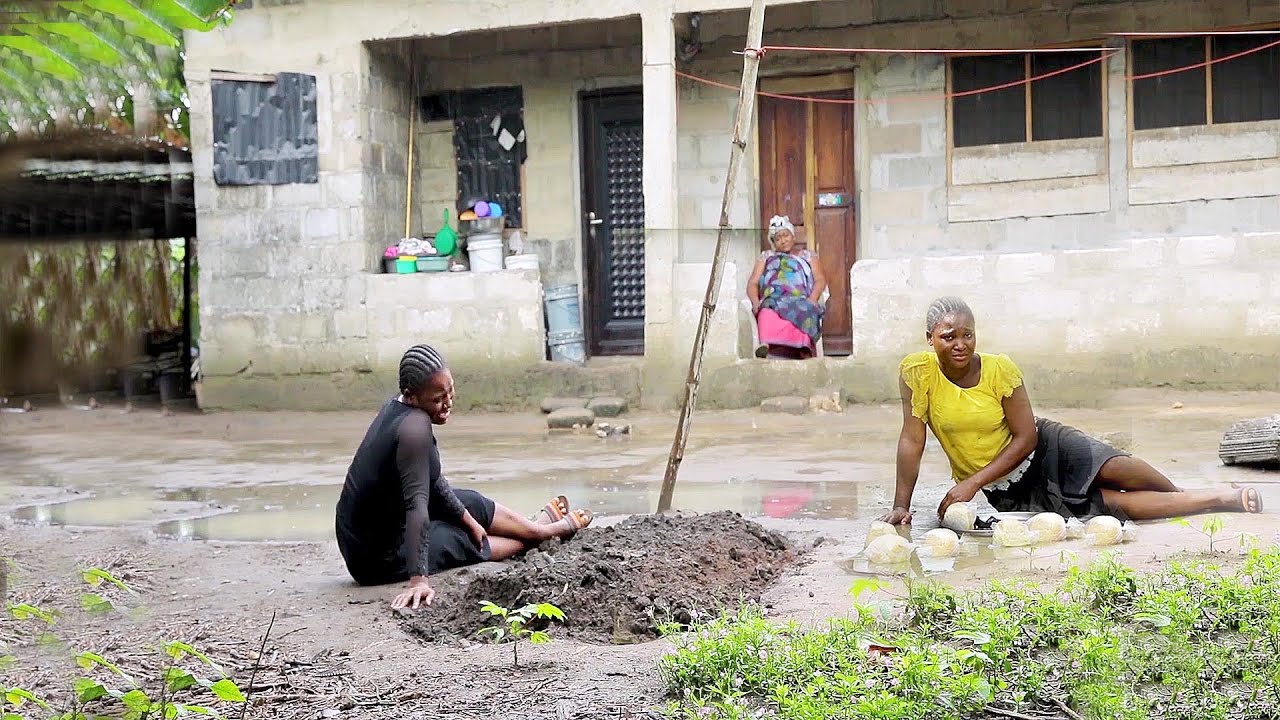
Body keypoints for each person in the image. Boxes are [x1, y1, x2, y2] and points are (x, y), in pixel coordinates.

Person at [881, 297, 1262, 526]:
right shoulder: (918, 373)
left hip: (1043, 446)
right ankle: (1219, 500)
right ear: (929, 339)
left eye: (968, 334)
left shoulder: (999, 369)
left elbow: (1027, 436)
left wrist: (970, 484)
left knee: (1116, 466)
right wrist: (901, 506)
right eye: (948, 336)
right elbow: (912, 440)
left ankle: (1187, 495)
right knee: (1111, 503)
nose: (960, 344)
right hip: (1008, 488)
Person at [335, 343, 594, 609]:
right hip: (374, 556)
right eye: (438, 399)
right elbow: (416, 505)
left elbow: (435, 483)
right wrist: (418, 580)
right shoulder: (414, 429)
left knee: (471, 503)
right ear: (411, 396)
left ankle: (537, 529)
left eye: (450, 391)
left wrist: (468, 519)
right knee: (457, 538)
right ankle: (540, 537)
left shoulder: (404, 408)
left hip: (388, 517)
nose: (448, 403)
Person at [746, 215, 828, 359]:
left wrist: (813, 298)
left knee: (805, 308)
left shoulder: (808, 256)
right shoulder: (766, 256)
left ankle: (803, 348)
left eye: (786, 235)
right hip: (774, 297)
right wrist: (755, 301)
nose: (783, 241)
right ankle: (766, 345)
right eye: (778, 238)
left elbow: (820, 280)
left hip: (799, 297)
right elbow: (753, 282)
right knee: (766, 309)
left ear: (793, 236)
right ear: (773, 243)